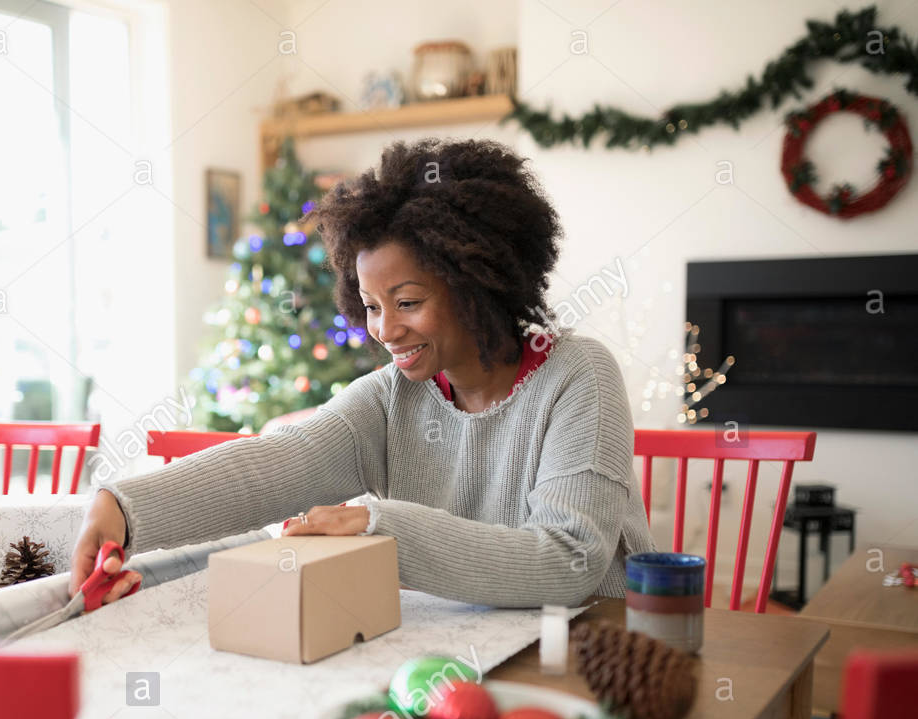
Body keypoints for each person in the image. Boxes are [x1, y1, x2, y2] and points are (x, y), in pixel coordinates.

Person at [71, 137, 653, 607]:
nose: (384, 330)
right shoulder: (390, 398)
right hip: (457, 655)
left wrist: (378, 524)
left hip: (595, 653)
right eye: (371, 306)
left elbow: (567, 563)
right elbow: (275, 467)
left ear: (477, 285)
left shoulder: (578, 376)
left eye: (406, 302)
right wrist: (125, 506)